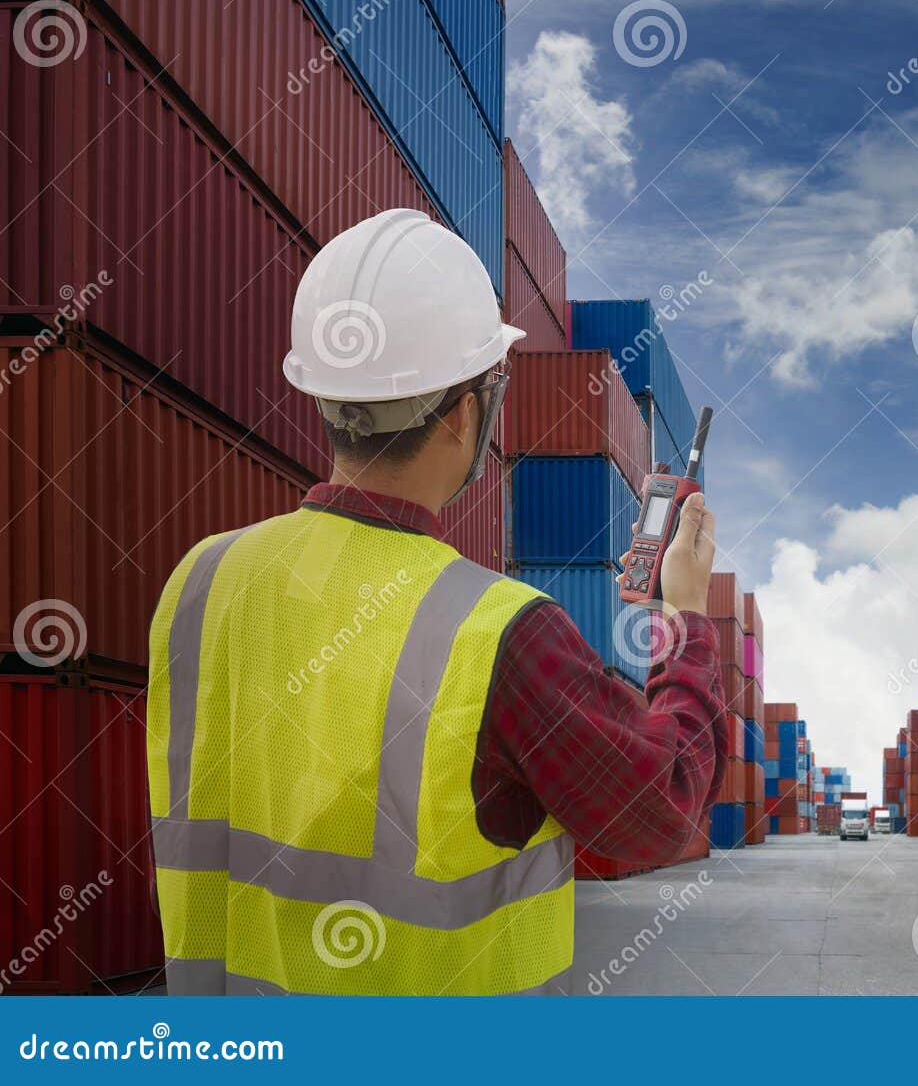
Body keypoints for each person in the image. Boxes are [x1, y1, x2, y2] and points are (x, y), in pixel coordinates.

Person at [146, 210, 726, 995]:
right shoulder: (502, 633)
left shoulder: (199, 581)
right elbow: (661, 807)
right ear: (465, 412)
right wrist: (685, 617)